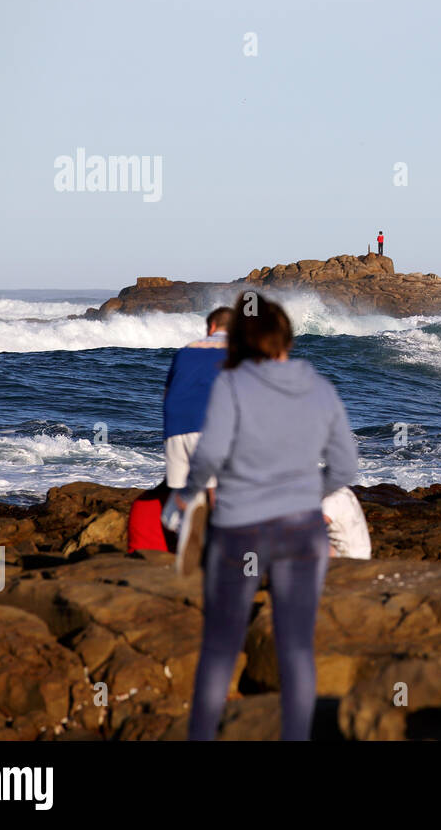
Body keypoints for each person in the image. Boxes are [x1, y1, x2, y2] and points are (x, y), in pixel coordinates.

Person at [176, 293, 359, 741]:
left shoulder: (232, 385)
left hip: (240, 529)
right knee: (296, 649)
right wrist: (303, 493)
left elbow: (212, 454)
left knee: (219, 649)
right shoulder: (320, 388)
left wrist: (188, 492)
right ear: (286, 340)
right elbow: (346, 468)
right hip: (302, 531)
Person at [163, 307, 233, 492]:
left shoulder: (185, 350)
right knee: (215, 492)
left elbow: (168, 392)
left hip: (175, 428)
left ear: (212, 326)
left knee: (178, 493)